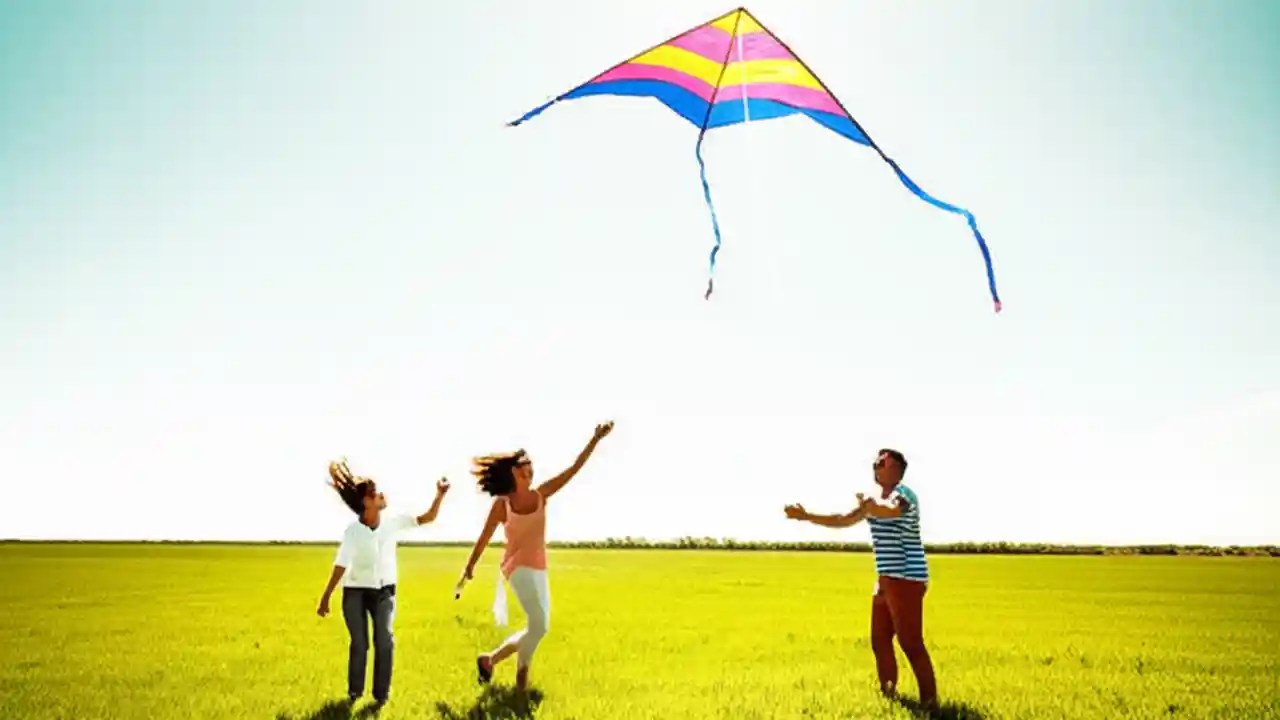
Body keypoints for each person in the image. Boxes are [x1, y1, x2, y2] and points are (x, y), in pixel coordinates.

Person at [460, 421, 614, 691]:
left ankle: (489, 660)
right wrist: (470, 567)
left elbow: (574, 469)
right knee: (539, 624)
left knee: (539, 626)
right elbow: (484, 537)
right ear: (513, 471)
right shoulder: (502, 505)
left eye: (531, 465)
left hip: (539, 567)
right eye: (524, 465)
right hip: (516, 568)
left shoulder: (542, 495)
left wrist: (595, 439)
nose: (530, 469)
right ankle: (522, 677)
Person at [783, 448, 937, 710]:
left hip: (907, 577)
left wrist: (870, 505)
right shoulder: (872, 502)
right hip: (886, 578)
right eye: (875, 463)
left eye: (882, 463)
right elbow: (843, 520)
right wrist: (806, 516)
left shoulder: (903, 495)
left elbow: (891, 511)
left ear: (897, 470)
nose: (875, 467)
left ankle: (930, 703)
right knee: (879, 639)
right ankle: (889, 693)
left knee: (910, 641)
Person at [316, 458, 451, 706]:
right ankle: (354, 694)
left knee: (385, 639)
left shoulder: (393, 522)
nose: (381, 495)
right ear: (367, 502)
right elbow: (341, 565)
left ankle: (380, 696)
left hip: (384, 592)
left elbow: (428, 517)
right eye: (376, 493)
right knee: (360, 643)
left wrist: (439, 495)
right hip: (355, 592)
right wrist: (326, 596)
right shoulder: (352, 532)